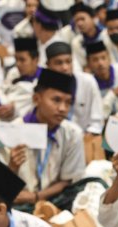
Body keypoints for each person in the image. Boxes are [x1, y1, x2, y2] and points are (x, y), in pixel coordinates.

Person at [9, 67, 87, 209]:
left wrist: (36, 197)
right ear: (36, 99)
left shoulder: (72, 134)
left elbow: (68, 181)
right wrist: (12, 168)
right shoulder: (13, 131)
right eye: (56, 100)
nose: (63, 108)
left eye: (68, 102)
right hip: (18, 203)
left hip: (56, 201)